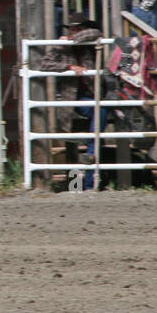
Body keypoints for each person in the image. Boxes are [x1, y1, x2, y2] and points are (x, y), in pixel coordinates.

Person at [36, 11, 104, 189]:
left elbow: (95, 33)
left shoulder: (88, 40)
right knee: (82, 142)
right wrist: (67, 66)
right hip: (73, 101)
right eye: (73, 29)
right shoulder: (63, 47)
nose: (75, 32)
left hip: (90, 98)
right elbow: (44, 64)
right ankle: (79, 184)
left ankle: (87, 182)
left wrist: (70, 39)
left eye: (78, 29)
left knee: (99, 117)